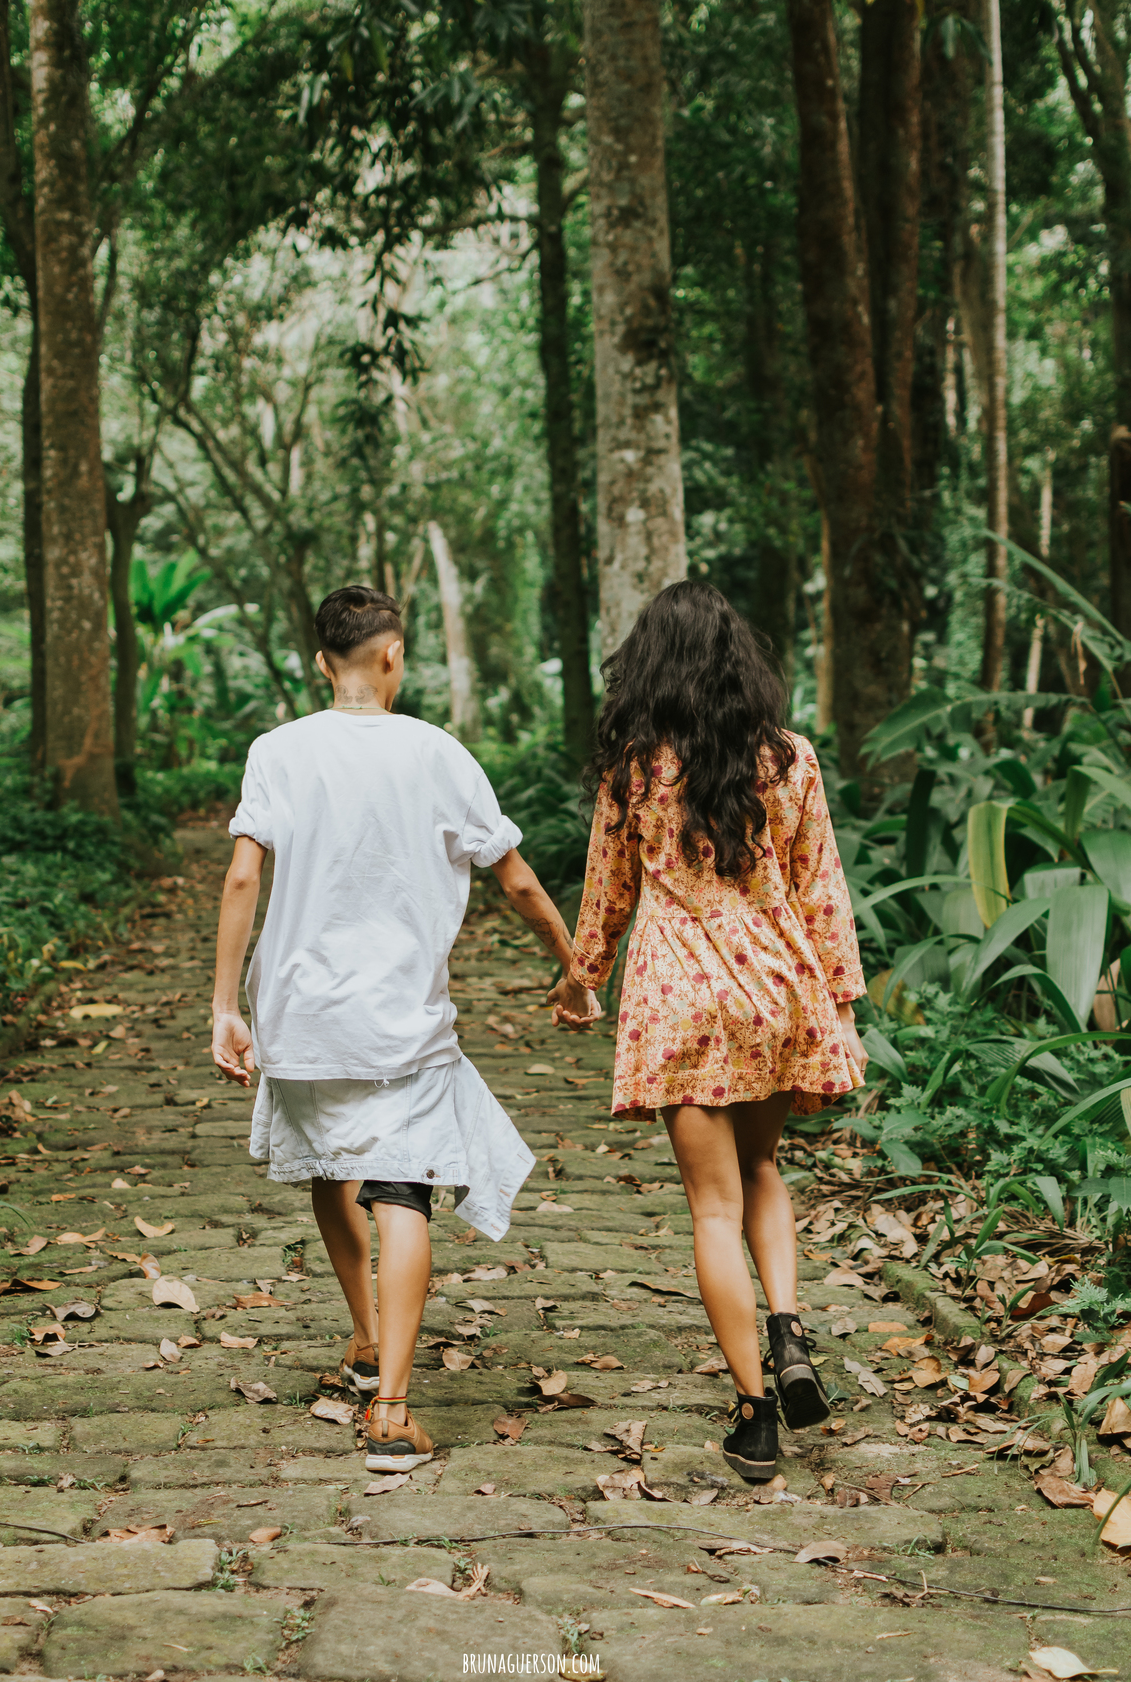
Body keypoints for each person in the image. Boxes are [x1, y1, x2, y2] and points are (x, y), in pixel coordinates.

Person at [210, 585, 599, 1474]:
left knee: (329, 1166)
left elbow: (242, 880)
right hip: (401, 1019)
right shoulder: (439, 754)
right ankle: (391, 1406)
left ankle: (363, 1335)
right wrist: (573, 967)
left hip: (300, 1010)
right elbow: (520, 884)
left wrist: (226, 1006)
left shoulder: (277, 751)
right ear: (393, 656)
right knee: (401, 1188)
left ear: (322, 663)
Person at [556, 580, 868, 1481]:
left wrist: (582, 980)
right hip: (775, 989)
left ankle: (753, 1411)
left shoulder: (635, 766)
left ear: (648, 665)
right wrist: (838, 1013)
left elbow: (608, 888)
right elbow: (822, 892)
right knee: (764, 1168)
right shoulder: (790, 759)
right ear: (740, 661)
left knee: (712, 1207)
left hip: (680, 1000)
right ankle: (789, 1328)